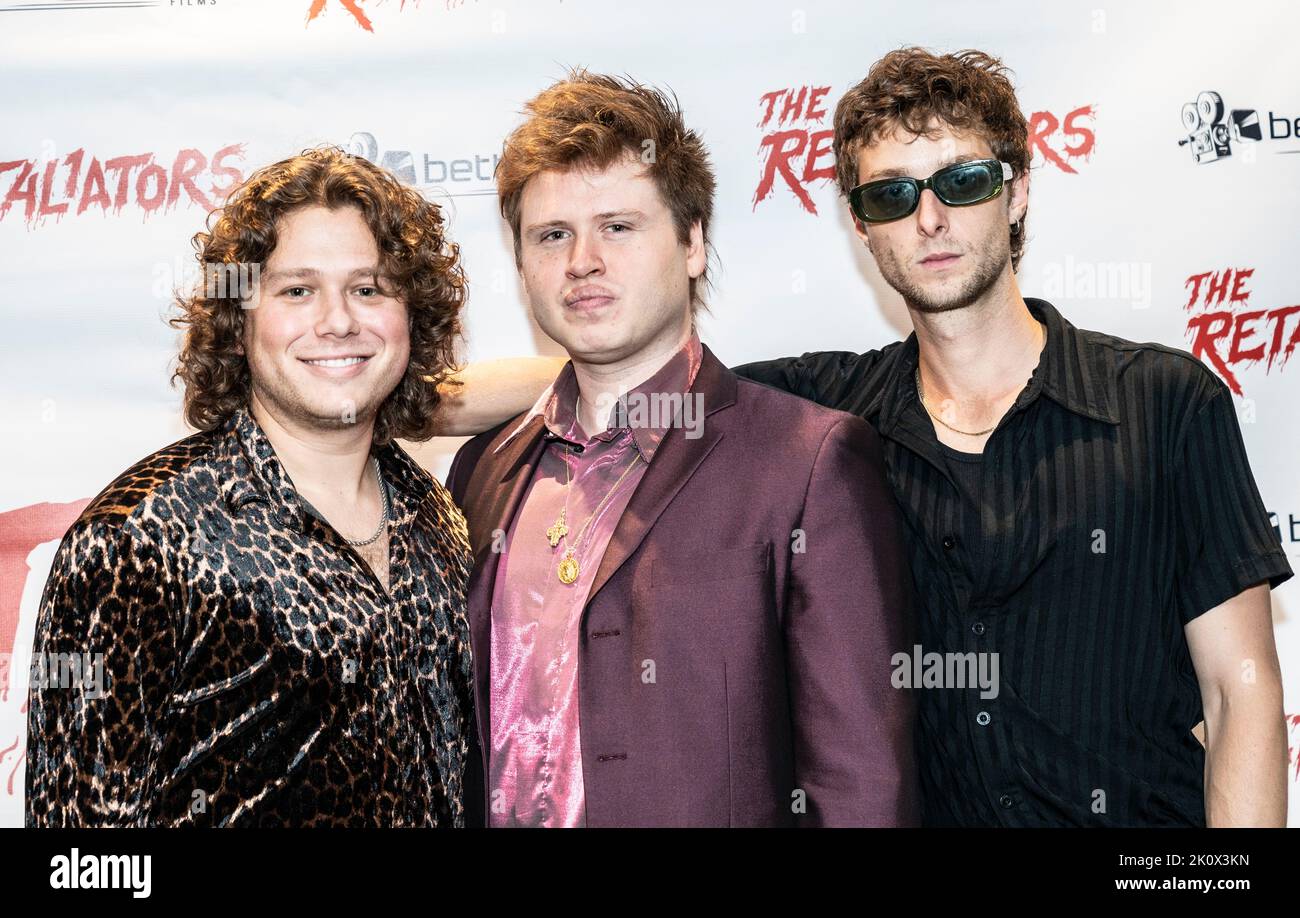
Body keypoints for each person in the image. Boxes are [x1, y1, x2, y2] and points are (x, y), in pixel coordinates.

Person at [447, 71, 919, 827]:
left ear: (694, 243)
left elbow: (862, 788)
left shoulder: (808, 464)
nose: (582, 261)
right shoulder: (486, 469)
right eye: (552, 235)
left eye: (618, 227)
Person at [26, 147, 476, 827]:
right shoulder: (142, 534)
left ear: (413, 315)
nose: (338, 321)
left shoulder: (433, 513)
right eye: (298, 290)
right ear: (239, 324)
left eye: (369, 288)